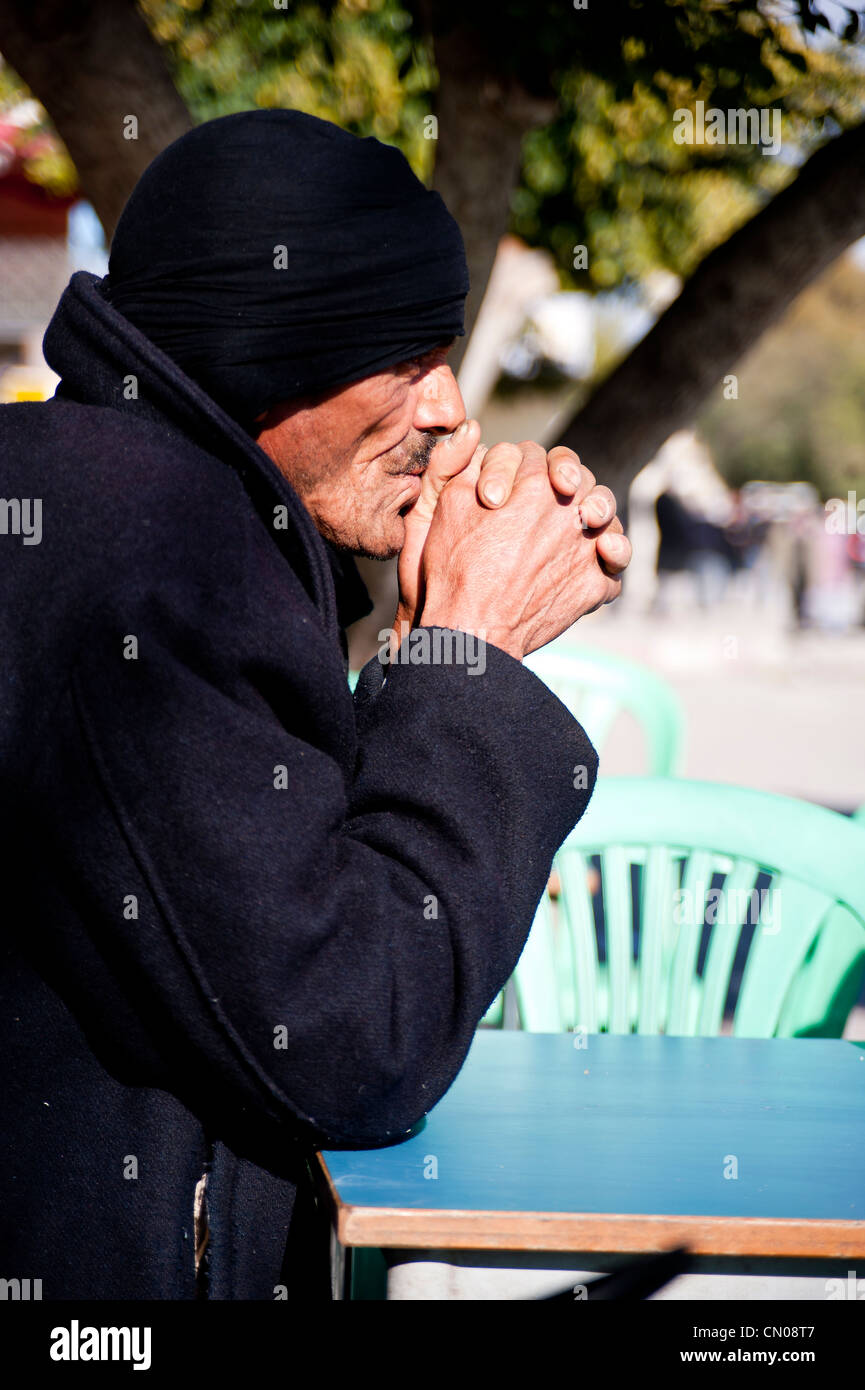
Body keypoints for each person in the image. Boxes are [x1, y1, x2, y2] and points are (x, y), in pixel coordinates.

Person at [0, 110, 630, 1301]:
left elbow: (268, 895)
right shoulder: (148, 553)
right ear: (264, 351)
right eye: (404, 360)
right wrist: (468, 654)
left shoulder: (121, 498)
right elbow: (350, 1040)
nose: (448, 409)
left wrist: (419, 642)